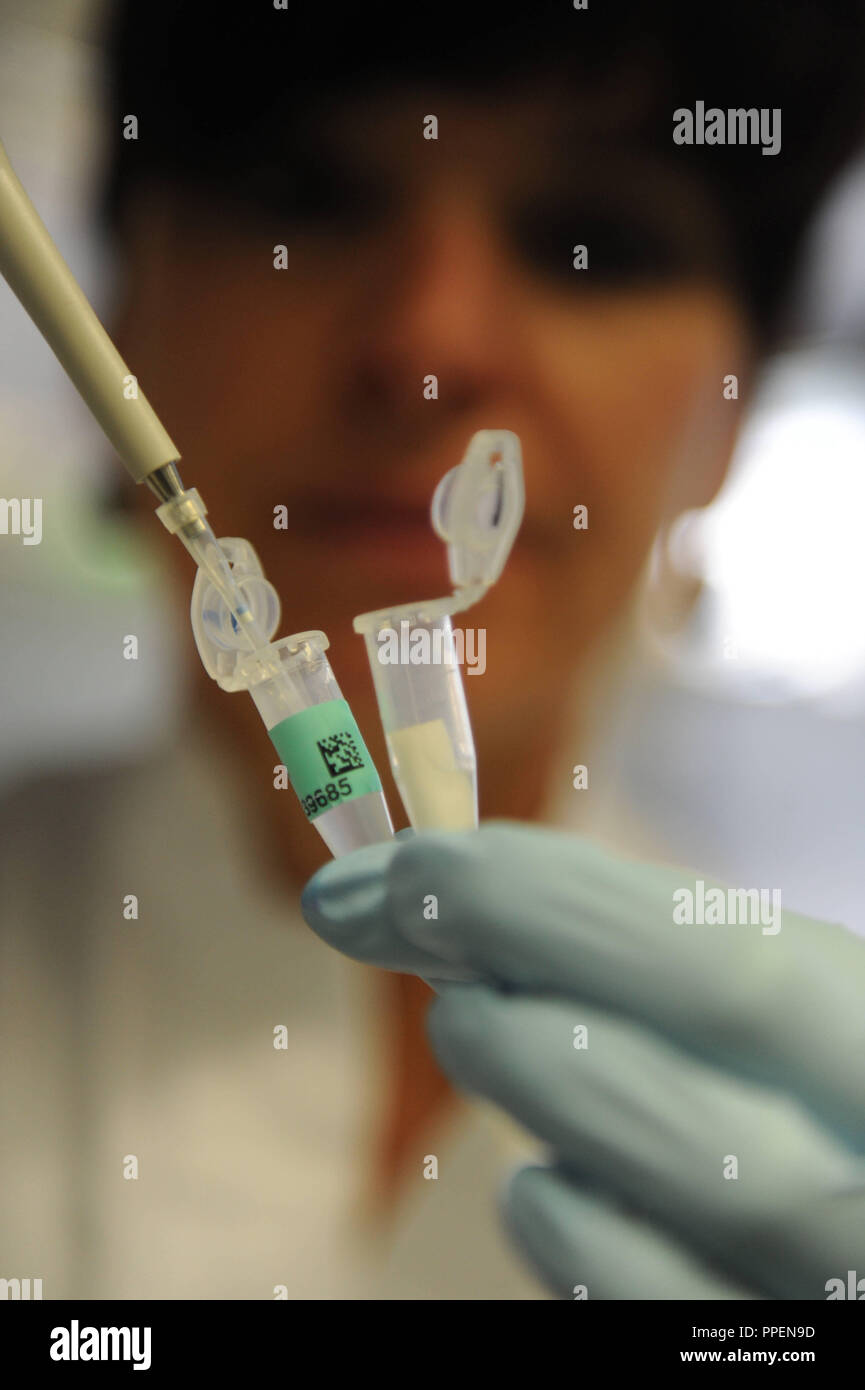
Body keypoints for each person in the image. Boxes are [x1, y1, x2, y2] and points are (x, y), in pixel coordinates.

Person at [2, 0, 864, 1298]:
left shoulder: (804, 1111)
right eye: (303, 199)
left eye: (587, 243)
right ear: (122, 319)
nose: (425, 348)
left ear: (734, 411)